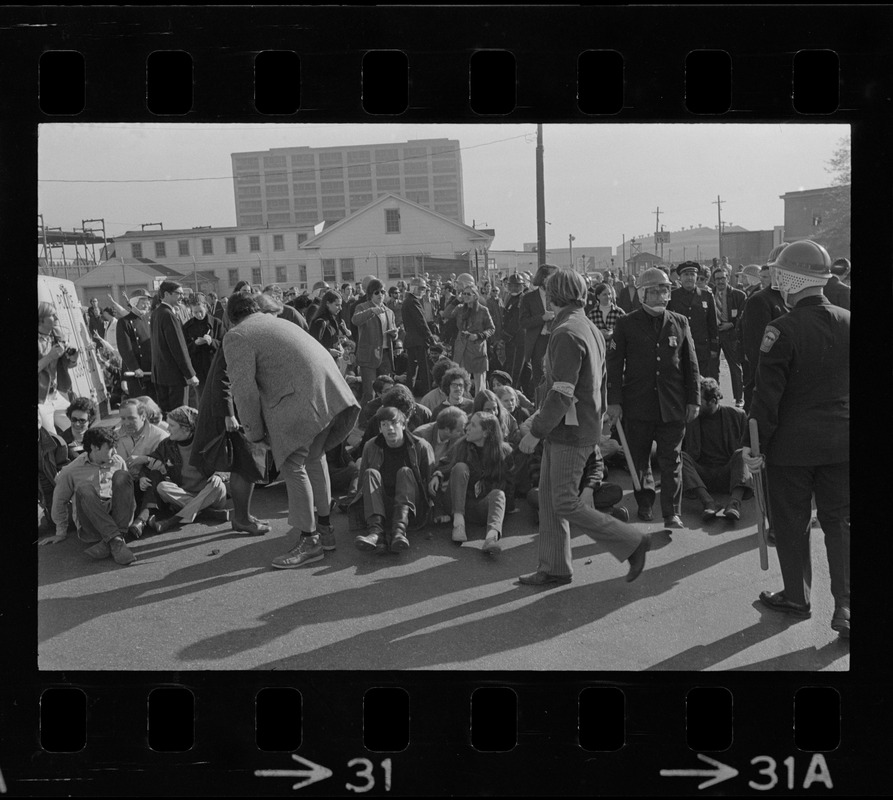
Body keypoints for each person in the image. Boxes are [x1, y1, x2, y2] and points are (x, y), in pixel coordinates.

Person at [518, 268, 658, 587]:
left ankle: (632, 542)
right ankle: (555, 567)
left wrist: (535, 431)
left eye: (548, 291)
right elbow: (600, 380)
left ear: (555, 295)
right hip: (575, 426)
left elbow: (562, 392)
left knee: (565, 501)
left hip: (568, 430)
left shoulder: (566, 330)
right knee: (552, 501)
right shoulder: (587, 325)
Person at [744, 240, 850, 638]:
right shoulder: (848, 319)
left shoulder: (781, 329)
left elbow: (765, 397)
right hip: (841, 441)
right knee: (840, 522)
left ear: (790, 278)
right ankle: (847, 605)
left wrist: (753, 447)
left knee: (792, 522)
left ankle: (797, 596)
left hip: (792, 447)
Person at [223, 292, 360, 569]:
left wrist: (254, 432)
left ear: (231, 317)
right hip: (330, 395)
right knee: (315, 457)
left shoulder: (237, 335)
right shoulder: (279, 321)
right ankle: (325, 530)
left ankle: (310, 541)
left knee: (293, 465)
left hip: (300, 404)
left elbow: (245, 391)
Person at [606, 267, 701, 529]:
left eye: (665, 290)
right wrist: (613, 401)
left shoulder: (680, 321)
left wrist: (694, 399)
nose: (662, 296)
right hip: (638, 404)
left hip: (672, 404)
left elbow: (691, 364)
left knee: (672, 459)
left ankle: (672, 512)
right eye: (656, 291)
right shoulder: (625, 324)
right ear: (642, 294)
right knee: (640, 458)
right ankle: (645, 502)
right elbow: (614, 364)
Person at [188, 329, 271, 538]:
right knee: (246, 465)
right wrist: (229, 414)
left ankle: (243, 517)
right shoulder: (239, 337)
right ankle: (242, 519)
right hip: (237, 411)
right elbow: (222, 377)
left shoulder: (238, 335)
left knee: (244, 465)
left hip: (239, 409)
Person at [41, 426, 137, 565]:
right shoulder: (71, 470)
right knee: (84, 488)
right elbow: (59, 500)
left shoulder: (118, 461)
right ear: (94, 447)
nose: (115, 451)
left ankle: (114, 539)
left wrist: (129, 520)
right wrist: (60, 532)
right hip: (90, 523)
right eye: (110, 448)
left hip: (117, 518)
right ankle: (116, 538)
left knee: (122, 476)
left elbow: (127, 495)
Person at [352, 406, 435, 553]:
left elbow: (430, 482)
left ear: (403, 425)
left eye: (394, 423)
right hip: (381, 506)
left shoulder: (421, 446)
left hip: (411, 509)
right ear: (380, 429)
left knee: (405, 472)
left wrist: (438, 511)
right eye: (384, 424)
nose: (390, 428)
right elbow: (362, 483)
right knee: (371, 473)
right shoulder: (371, 446)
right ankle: (376, 533)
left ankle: (399, 532)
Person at [431, 410, 513, 553]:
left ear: (486, 433)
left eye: (473, 425)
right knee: (460, 467)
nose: (467, 428)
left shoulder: (504, 452)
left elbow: (510, 484)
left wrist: (503, 507)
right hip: (457, 503)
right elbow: (445, 465)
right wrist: (438, 475)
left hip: (481, 506)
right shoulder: (461, 445)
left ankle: (491, 538)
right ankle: (458, 525)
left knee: (499, 494)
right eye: (468, 424)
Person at [139, 406, 230, 534]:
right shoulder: (167, 445)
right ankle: (205, 512)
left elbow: (225, 464)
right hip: (185, 494)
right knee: (162, 487)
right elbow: (150, 461)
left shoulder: (206, 442)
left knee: (217, 482)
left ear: (186, 428)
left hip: (211, 495)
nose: (167, 428)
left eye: (172, 425)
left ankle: (172, 521)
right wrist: (143, 476)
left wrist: (220, 475)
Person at [682, 377, 753, 520]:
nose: (696, 404)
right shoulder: (691, 418)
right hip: (702, 475)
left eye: (699, 401)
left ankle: (734, 504)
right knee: (680, 456)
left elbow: (750, 447)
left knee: (743, 453)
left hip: (729, 474)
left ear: (713, 401)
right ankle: (709, 503)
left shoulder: (737, 416)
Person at [738, 257, 786, 411]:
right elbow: (757, 340)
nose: (762, 280)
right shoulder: (760, 299)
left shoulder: (784, 298)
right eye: (761, 277)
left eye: (765, 277)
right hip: (764, 366)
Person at [150, 281, 199, 412]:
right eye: (178, 293)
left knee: (167, 417)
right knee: (179, 416)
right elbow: (177, 347)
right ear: (166, 294)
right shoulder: (168, 315)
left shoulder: (156, 313)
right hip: (174, 377)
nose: (182, 297)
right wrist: (190, 374)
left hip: (161, 375)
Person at [668, 261, 719, 381]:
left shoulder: (706, 296)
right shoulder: (672, 297)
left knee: (702, 382)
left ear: (696, 277)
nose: (689, 278)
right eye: (686, 275)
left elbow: (712, 323)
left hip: (701, 348)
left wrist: (714, 347)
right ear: (680, 278)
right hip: (680, 348)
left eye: (692, 274)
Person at [352, 278, 399, 404]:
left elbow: (393, 331)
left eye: (383, 292)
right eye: (376, 292)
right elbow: (355, 320)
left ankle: (382, 420)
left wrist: (394, 334)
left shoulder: (389, 311)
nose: (380, 295)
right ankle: (364, 422)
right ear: (370, 294)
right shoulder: (362, 307)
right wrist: (371, 311)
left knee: (387, 393)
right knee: (369, 393)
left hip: (385, 355)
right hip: (368, 357)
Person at [446, 282, 495, 394]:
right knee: (461, 380)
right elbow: (446, 314)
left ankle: (480, 404)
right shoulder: (459, 308)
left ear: (475, 295)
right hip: (461, 348)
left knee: (480, 385)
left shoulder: (483, 310)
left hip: (477, 348)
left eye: (469, 294)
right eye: (464, 293)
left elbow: (491, 329)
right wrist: (456, 300)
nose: (466, 296)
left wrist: (479, 336)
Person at [38, 301, 79, 434]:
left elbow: (69, 365)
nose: (56, 318)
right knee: (51, 438)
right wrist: (50, 356)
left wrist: (72, 357)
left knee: (76, 423)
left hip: (55, 393)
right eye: (52, 315)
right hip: (40, 398)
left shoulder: (55, 335)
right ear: (41, 319)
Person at [518, 263, 559, 397]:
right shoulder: (528, 298)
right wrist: (542, 317)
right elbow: (523, 322)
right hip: (539, 340)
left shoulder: (559, 296)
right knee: (539, 375)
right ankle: (540, 404)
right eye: (552, 278)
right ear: (543, 278)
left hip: (557, 338)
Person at [710, 265, 747, 407]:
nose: (720, 281)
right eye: (717, 279)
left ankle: (739, 398)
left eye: (723, 278)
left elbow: (742, 317)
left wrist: (730, 325)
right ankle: (715, 398)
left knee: (735, 367)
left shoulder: (738, 295)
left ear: (728, 278)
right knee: (713, 367)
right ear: (714, 280)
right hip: (714, 334)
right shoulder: (708, 294)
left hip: (730, 334)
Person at [116, 289, 155, 400]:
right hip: (138, 373)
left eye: (148, 302)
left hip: (152, 370)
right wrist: (135, 367)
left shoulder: (150, 319)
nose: (147, 305)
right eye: (143, 302)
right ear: (134, 303)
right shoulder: (125, 322)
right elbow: (125, 348)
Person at [183, 300, 223, 405]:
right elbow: (184, 349)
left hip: (215, 366)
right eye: (195, 312)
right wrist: (195, 344)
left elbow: (224, 344)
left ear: (205, 307)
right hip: (198, 368)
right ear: (191, 312)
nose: (199, 315)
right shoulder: (187, 326)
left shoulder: (217, 323)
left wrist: (212, 341)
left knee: (217, 398)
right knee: (201, 399)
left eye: (201, 311)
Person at [401, 277, 437, 396]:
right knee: (424, 372)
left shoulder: (408, 301)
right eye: (421, 288)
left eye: (424, 288)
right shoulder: (413, 301)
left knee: (412, 372)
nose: (423, 291)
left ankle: (408, 395)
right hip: (419, 342)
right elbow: (421, 322)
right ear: (414, 288)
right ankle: (428, 397)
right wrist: (431, 339)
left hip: (412, 341)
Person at [310, 289, 352, 364]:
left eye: (340, 305)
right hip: (323, 363)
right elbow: (313, 345)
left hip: (332, 362)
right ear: (327, 303)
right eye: (337, 305)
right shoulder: (320, 322)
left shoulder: (332, 319)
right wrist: (329, 351)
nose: (340, 308)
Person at [500, 273, 527, 386]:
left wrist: (507, 335)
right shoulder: (511, 297)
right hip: (511, 339)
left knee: (515, 368)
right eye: (512, 286)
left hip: (517, 339)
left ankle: (513, 389)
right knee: (510, 365)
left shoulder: (521, 298)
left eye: (517, 286)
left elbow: (517, 320)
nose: (514, 288)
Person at [60, 396, 97, 461]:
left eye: (82, 421)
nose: (77, 424)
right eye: (74, 419)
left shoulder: (96, 438)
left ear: (90, 420)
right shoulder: (61, 442)